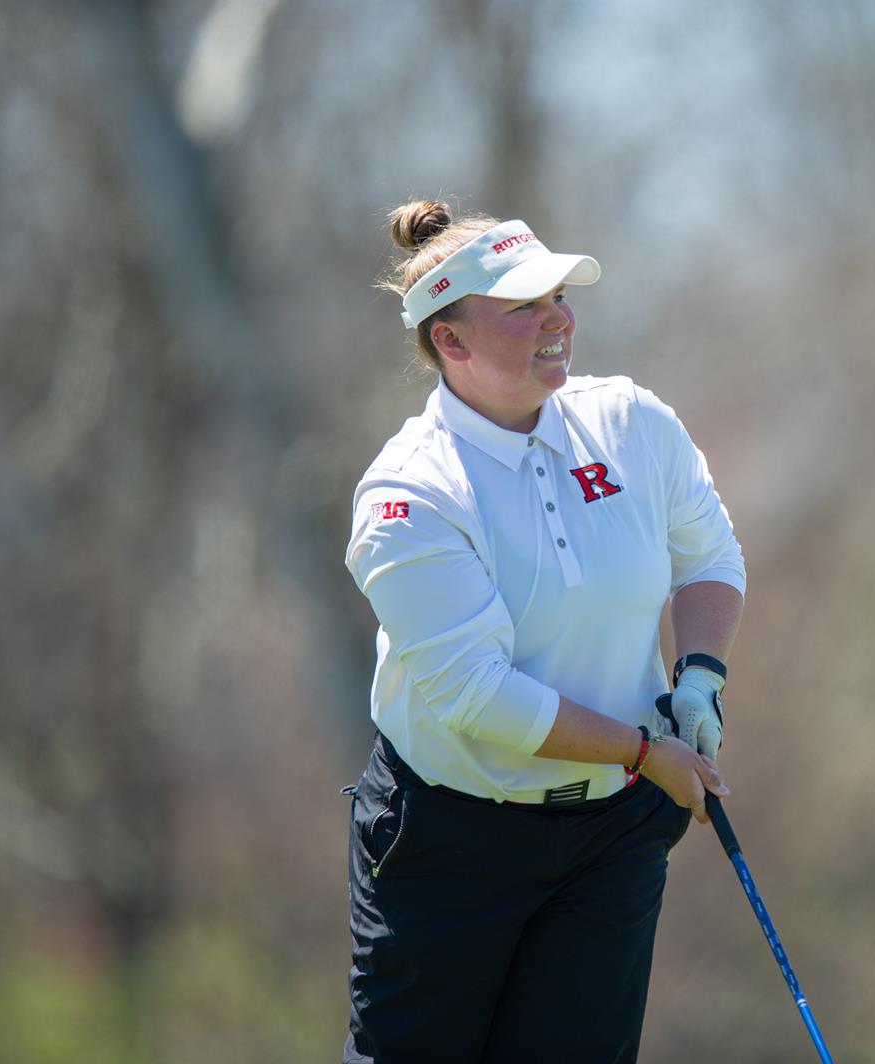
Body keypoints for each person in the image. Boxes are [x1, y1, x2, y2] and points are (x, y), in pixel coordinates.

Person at [341, 199, 745, 1063]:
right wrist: (646, 753)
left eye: (559, 295)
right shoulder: (410, 500)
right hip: (450, 840)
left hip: (610, 833)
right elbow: (480, 698)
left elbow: (709, 553)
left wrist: (701, 674)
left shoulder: (631, 422)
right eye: (525, 306)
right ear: (451, 344)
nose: (559, 317)